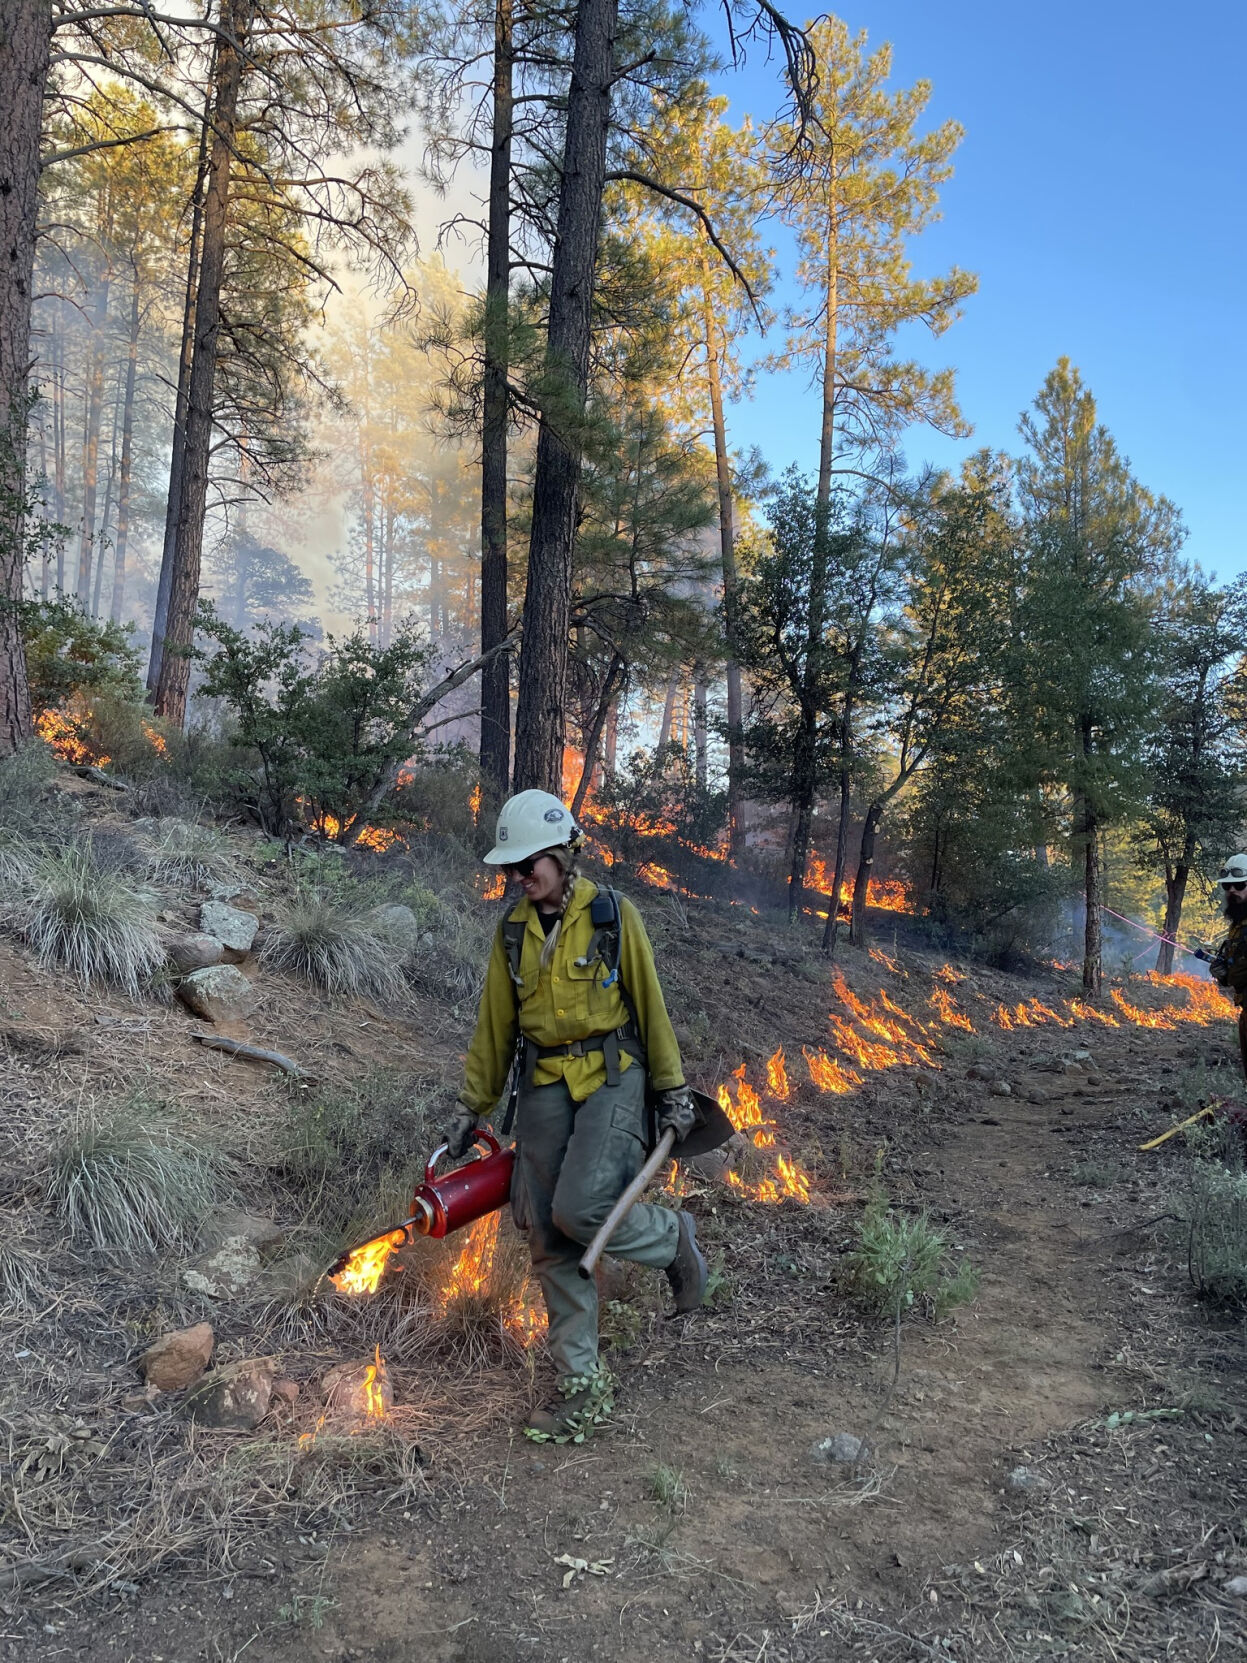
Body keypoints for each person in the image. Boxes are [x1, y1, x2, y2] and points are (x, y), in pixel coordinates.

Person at [443, 788, 708, 1437]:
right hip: (541, 1084)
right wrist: (472, 1105)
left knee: (581, 1207)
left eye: (530, 861)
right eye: (512, 866)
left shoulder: (615, 916)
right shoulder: (512, 935)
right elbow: (494, 1029)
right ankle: (578, 1385)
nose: (520, 875)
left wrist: (673, 1090)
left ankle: (672, 1238)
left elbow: (649, 1005)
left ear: (564, 855)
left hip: (612, 1075)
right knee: (546, 1233)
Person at [1205, 853, 1247, 1076]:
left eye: (1239, 885)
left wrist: (1230, 975)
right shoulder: (1239, 923)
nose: (1232, 890)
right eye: (1228, 886)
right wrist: (1223, 970)